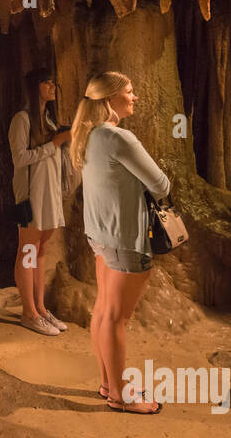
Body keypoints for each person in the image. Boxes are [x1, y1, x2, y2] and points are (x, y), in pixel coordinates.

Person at [72, 71, 171, 414]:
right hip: (124, 238)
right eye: (129, 91)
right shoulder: (119, 138)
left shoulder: (87, 136)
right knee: (116, 319)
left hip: (99, 235)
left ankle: (107, 383)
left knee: (103, 311)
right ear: (110, 98)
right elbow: (161, 184)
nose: (135, 97)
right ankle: (119, 395)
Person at [9, 67, 71, 335]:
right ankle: (28, 312)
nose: (52, 87)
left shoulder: (48, 120)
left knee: (41, 251)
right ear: (34, 87)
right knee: (28, 251)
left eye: (54, 83)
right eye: (47, 83)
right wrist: (54, 144)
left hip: (49, 194)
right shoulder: (22, 120)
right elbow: (20, 158)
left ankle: (41, 308)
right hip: (31, 196)